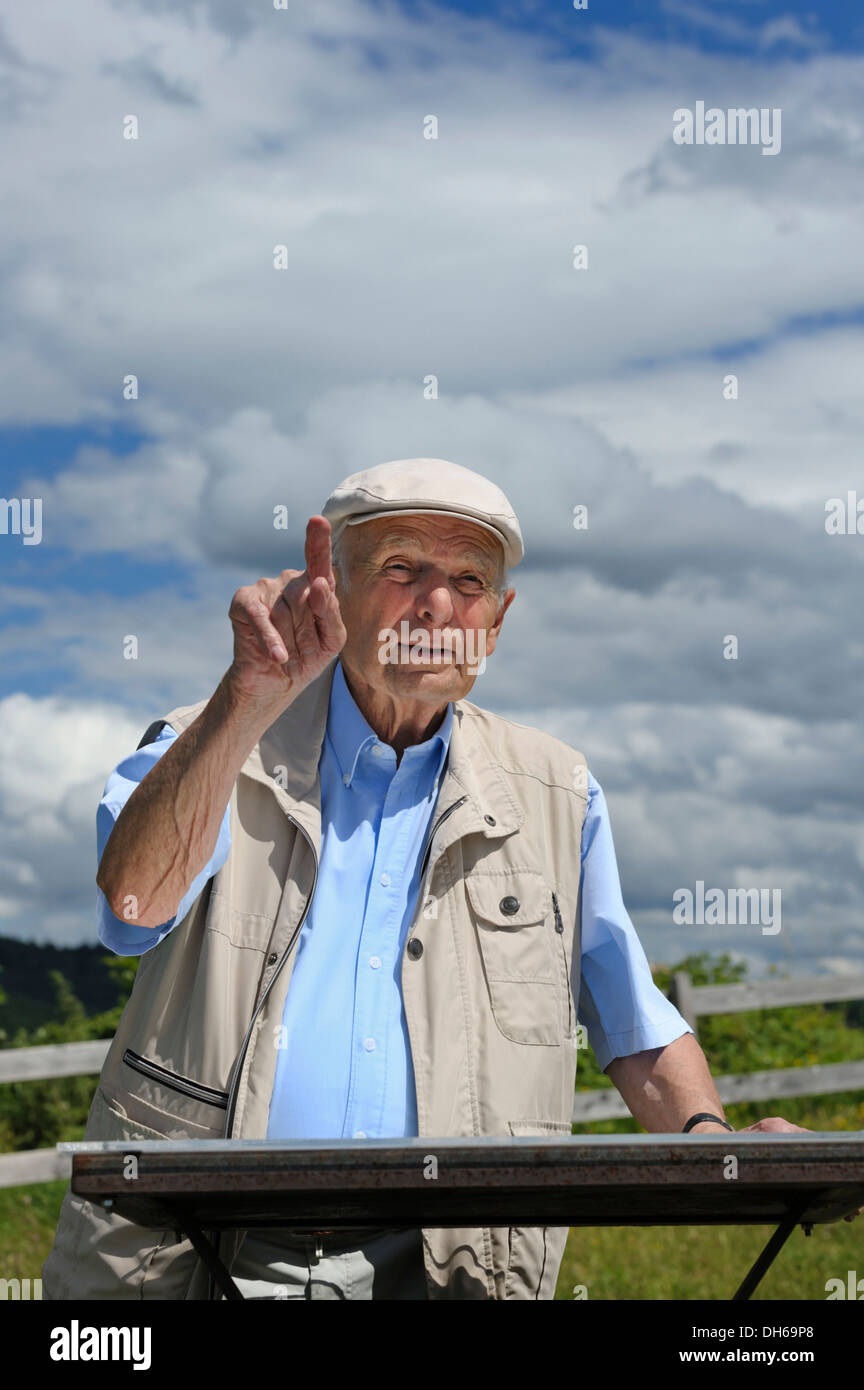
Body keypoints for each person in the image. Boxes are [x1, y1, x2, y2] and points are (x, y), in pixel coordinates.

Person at [42, 457, 817, 1301]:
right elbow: (132, 909)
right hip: (198, 1254)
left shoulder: (557, 790)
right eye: (402, 568)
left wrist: (714, 1138)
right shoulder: (213, 735)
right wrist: (248, 697)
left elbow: (630, 1020)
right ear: (330, 588)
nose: (438, 605)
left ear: (500, 617)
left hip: (447, 1267)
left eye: (469, 581)